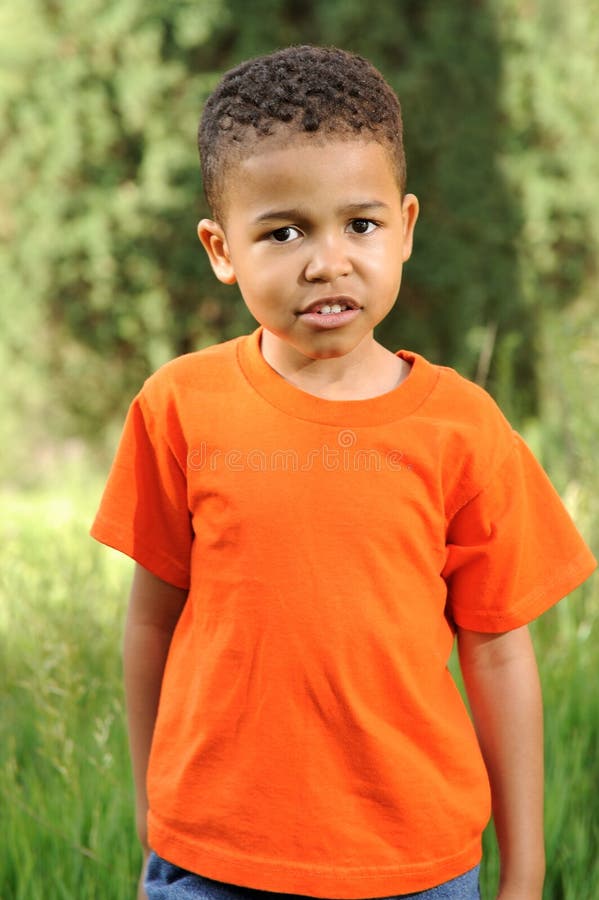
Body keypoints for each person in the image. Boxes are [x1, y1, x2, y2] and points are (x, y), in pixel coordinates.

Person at [91, 45, 596, 900]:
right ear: (221, 249)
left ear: (404, 227)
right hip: (210, 862)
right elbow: (151, 623)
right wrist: (150, 802)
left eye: (358, 225)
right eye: (283, 232)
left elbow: (501, 656)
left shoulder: (462, 426)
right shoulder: (177, 405)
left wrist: (527, 869)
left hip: (417, 866)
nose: (327, 261)